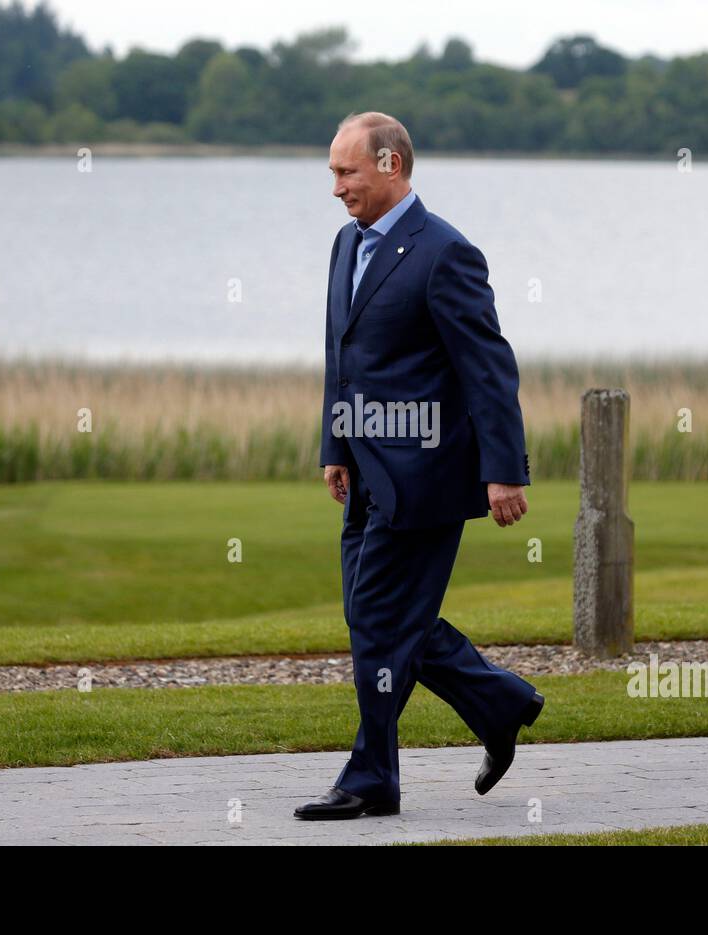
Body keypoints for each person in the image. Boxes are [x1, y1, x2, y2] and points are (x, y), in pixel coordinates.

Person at [293, 111, 545, 820]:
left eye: (347, 172)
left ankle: (372, 775)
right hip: (365, 473)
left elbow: (489, 370)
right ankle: (499, 702)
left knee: (378, 617)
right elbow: (340, 358)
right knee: (380, 616)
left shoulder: (445, 254)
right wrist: (335, 445)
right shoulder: (347, 245)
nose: (336, 187)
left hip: (427, 477)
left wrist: (505, 470)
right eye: (333, 173)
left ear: (391, 166)